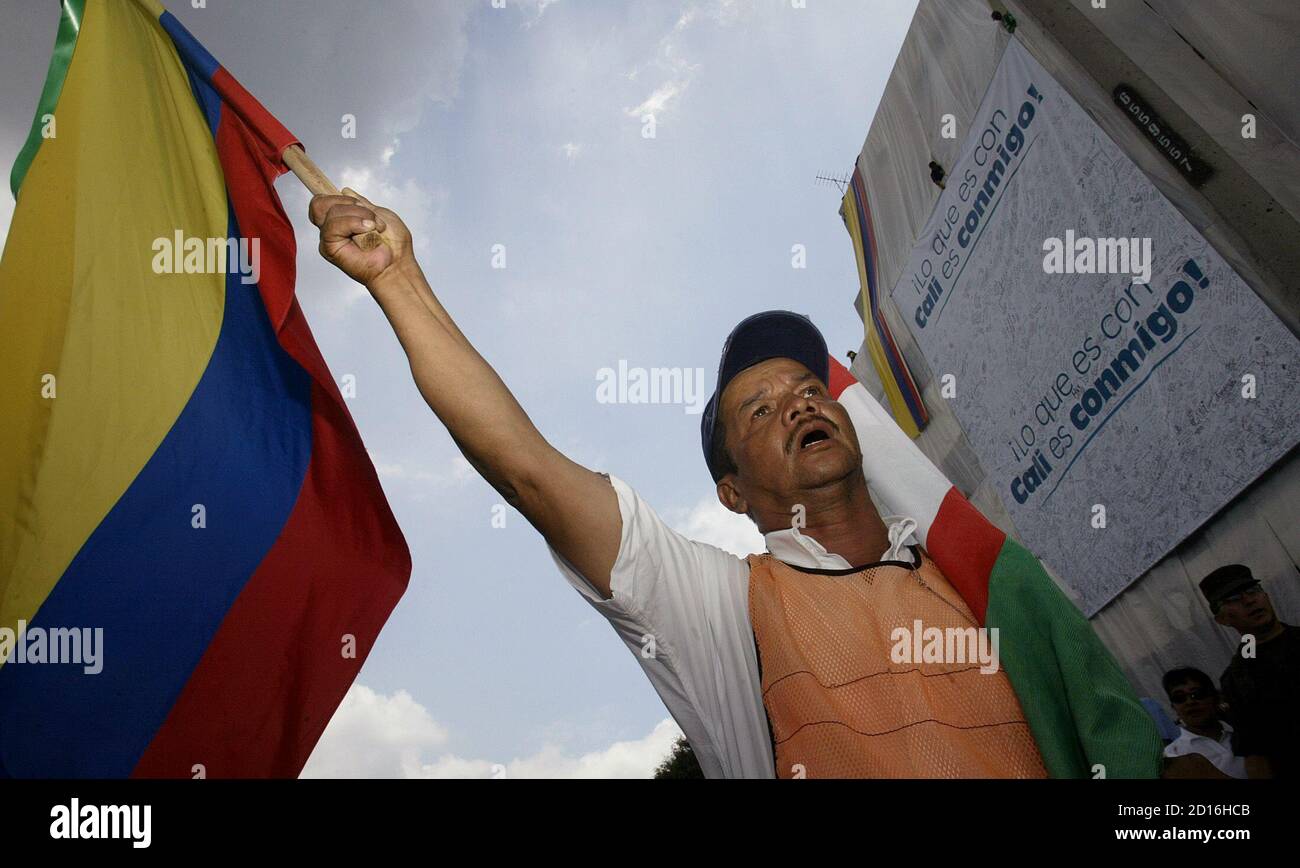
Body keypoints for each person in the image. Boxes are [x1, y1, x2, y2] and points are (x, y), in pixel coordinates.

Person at [308, 190, 1160, 779]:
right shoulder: (723, 609)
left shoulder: (982, 587)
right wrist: (396, 279)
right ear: (733, 495)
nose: (795, 407)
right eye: (758, 413)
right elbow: (527, 470)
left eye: (808, 391)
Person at [1201, 563, 1299, 777]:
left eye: (1253, 591)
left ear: (1265, 595)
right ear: (1222, 619)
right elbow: (1255, 752)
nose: (1249, 600)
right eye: (1233, 599)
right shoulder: (1238, 679)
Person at [1160, 667, 1252, 778]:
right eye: (1179, 698)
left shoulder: (1246, 731)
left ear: (1215, 698)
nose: (1190, 702)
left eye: (1197, 694)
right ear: (1173, 707)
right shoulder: (1173, 755)